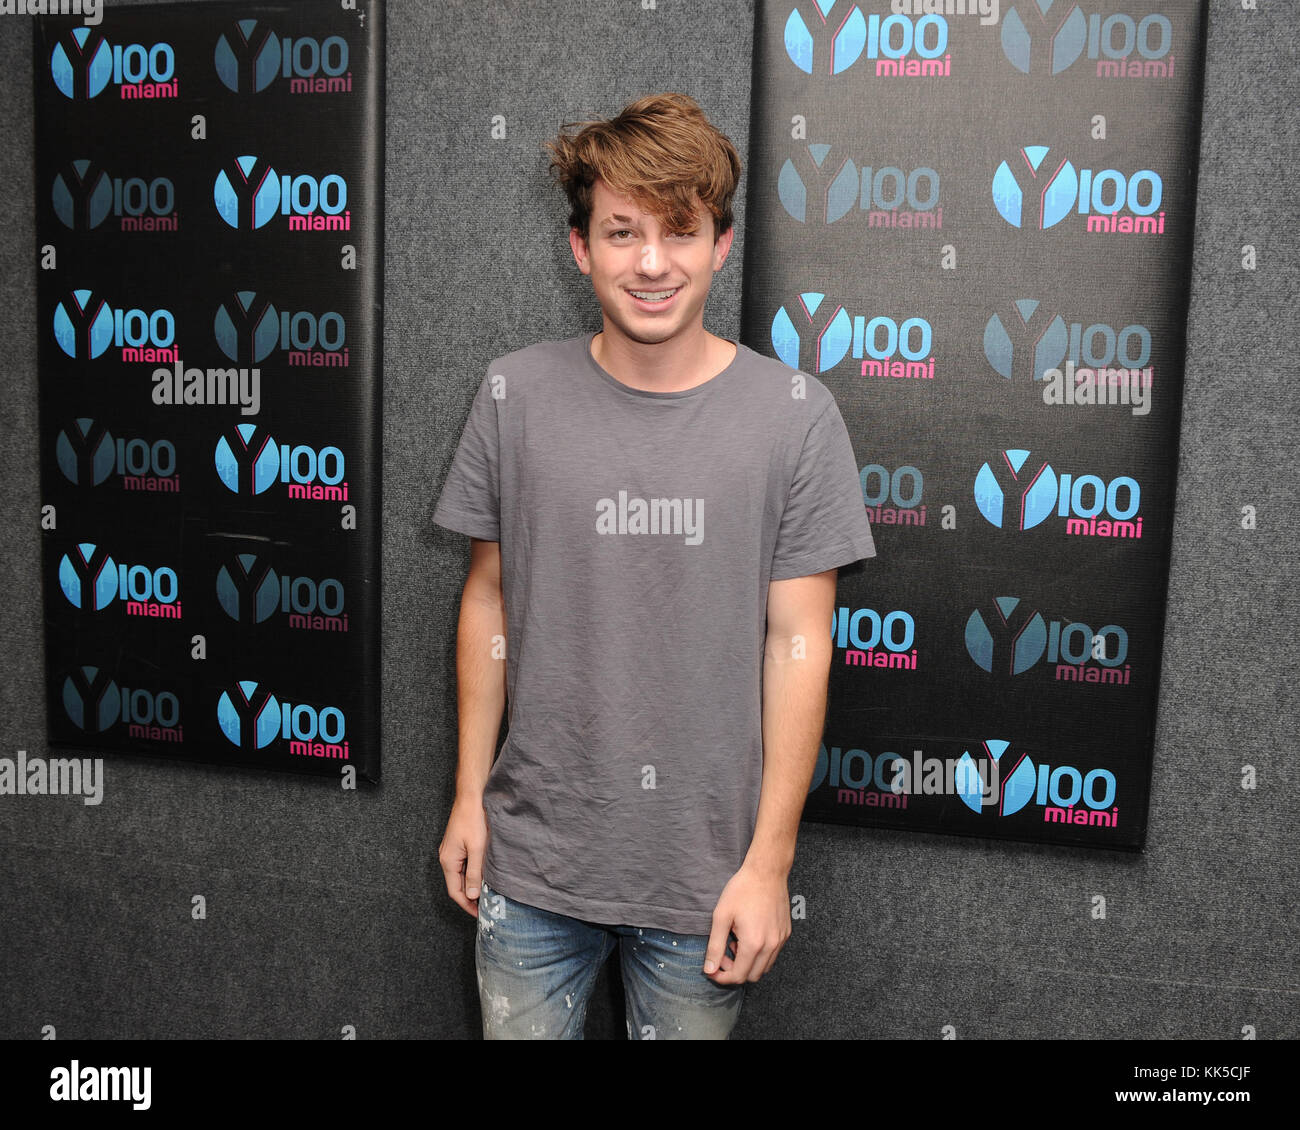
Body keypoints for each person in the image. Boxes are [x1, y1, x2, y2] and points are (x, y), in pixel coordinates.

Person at [432, 92, 875, 1039]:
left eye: (679, 231)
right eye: (621, 231)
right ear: (579, 246)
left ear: (720, 244)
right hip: (533, 867)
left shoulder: (795, 416)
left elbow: (800, 644)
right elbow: (489, 602)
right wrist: (469, 797)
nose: (650, 262)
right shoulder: (514, 395)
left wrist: (770, 865)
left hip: (704, 883)